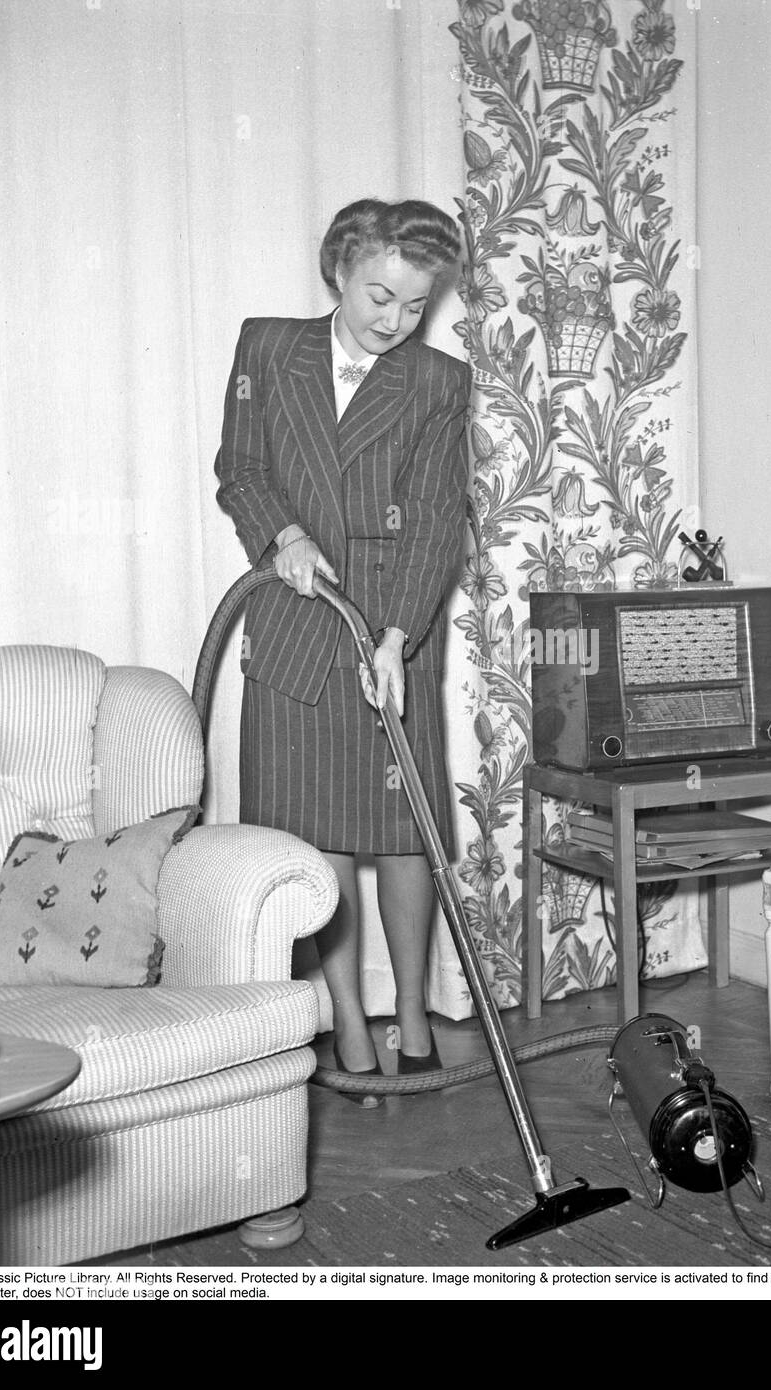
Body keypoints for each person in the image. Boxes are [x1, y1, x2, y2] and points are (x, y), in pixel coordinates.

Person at [215, 199, 471, 1106]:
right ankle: (347, 1022)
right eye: (380, 296)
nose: (397, 321)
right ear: (339, 271)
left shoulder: (439, 382)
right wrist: (279, 532)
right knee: (310, 836)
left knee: (403, 832)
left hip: (393, 625)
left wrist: (399, 636)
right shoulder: (266, 349)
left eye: (416, 303)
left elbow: (441, 517)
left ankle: (409, 1014)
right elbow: (238, 467)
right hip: (292, 622)